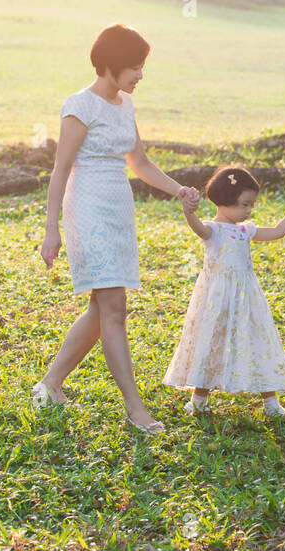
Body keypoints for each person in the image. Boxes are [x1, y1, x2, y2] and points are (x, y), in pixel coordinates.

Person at [36, 23, 201, 435]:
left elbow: (139, 163)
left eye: (142, 67)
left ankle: (50, 384)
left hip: (118, 209)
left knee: (102, 306)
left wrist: (178, 189)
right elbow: (59, 170)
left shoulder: (124, 104)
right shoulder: (79, 106)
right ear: (110, 64)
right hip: (87, 208)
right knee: (114, 308)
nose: (140, 75)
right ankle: (134, 407)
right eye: (135, 67)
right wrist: (50, 228)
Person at [163, 167, 285, 418]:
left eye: (251, 205)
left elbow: (278, 232)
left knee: (257, 341)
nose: (248, 210)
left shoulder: (246, 230)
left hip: (246, 299)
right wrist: (188, 211)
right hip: (216, 300)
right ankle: (199, 399)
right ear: (224, 200)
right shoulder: (212, 230)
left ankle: (271, 403)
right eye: (244, 204)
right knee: (211, 343)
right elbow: (197, 227)